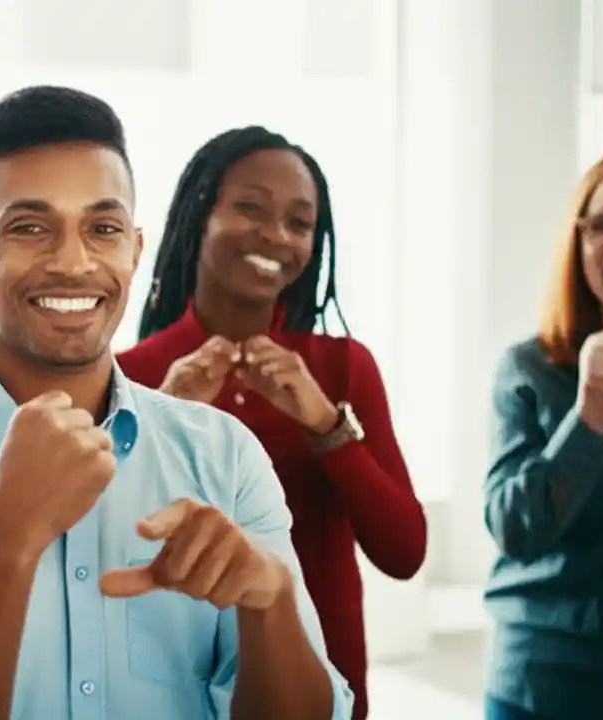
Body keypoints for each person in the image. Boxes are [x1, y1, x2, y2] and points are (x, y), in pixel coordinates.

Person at [0, 86, 353, 720]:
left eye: (103, 229)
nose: (73, 261)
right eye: (30, 227)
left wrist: (269, 602)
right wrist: (10, 532)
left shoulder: (223, 456)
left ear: (135, 251)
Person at [117, 127, 426, 719]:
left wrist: (326, 425)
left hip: (316, 688)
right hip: (163, 687)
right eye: (250, 208)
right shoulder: (131, 373)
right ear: (199, 214)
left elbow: (404, 552)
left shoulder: (341, 368)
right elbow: (98, 548)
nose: (276, 236)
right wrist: (164, 412)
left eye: (299, 223)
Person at [482, 146, 603, 720]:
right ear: (578, 243)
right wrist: (588, 416)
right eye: (602, 227)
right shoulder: (528, 369)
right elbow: (515, 530)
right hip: (545, 691)